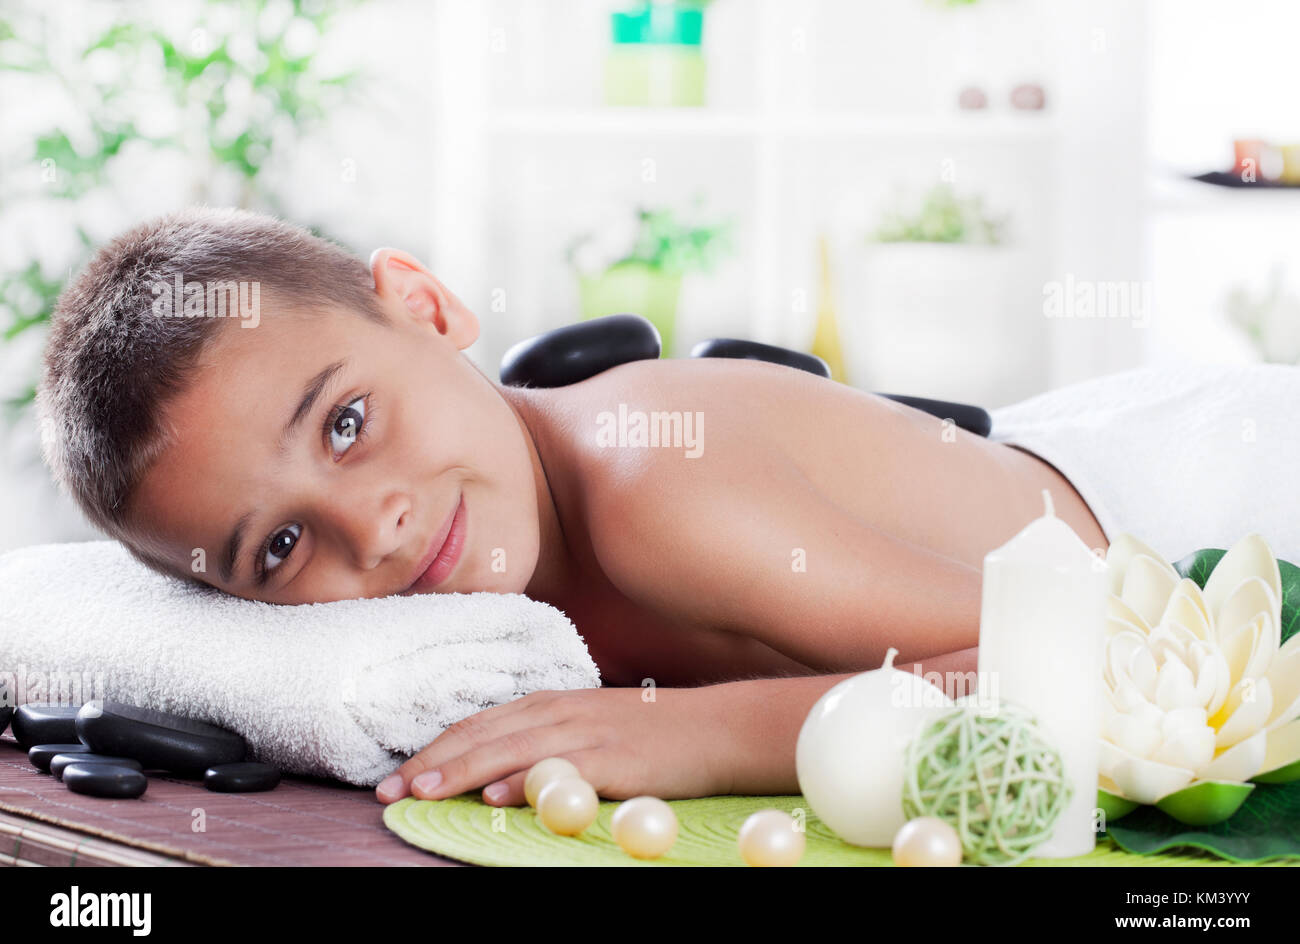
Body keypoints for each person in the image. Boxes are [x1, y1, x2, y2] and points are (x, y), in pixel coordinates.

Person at [37, 206, 1109, 808]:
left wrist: (702, 732)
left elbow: (1093, 665)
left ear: (424, 303)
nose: (374, 529)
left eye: (347, 422)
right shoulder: (458, 638)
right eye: (277, 545)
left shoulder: (655, 486)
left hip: (1150, 495)